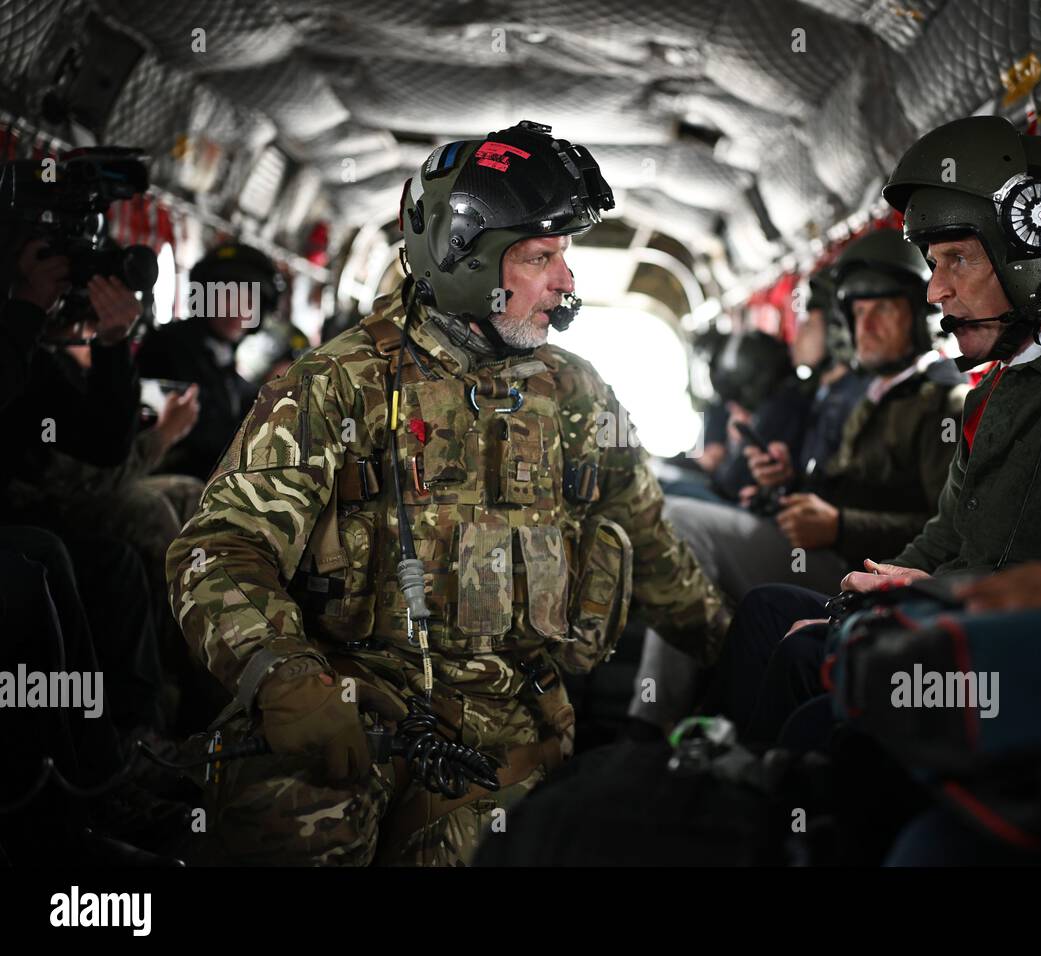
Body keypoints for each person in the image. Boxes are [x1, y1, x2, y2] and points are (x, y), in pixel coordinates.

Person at [164, 120, 731, 866]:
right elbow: (220, 546)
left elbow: (655, 552)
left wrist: (748, 651)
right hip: (353, 709)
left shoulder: (578, 396)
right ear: (466, 260)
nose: (566, 282)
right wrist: (283, 674)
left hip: (512, 734)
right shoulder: (337, 385)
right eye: (540, 257)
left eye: (564, 255)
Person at [715, 115, 1041, 749]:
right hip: (955, 622)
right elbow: (948, 532)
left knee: (804, 672)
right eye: (932, 262)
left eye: (957, 259)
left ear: (1039, 253)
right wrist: (881, 582)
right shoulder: (995, 387)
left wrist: (940, 596)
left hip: (1023, 661)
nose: (936, 290)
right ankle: (725, 777)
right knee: (769, 612)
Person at [631, 229, 968, 730]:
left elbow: (940, 530)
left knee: (681, 521)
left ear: (920, 318)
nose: (865, 326)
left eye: (884, 310)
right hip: (827, 550)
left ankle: (651, 725)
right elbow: (847, 487)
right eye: (856, 313)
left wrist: (839, 525)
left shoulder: (942, 400)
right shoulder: (879, 395)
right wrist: (785, 487)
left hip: (860, 566)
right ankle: (697, 710)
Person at [134, 242, 283, 480]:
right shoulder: (168, 346)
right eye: (227, 297)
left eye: (248, 302)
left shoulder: (227, 371)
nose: (237, 311)